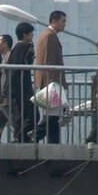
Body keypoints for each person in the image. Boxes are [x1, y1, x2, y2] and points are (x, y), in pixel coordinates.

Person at [35, 10, 67, 143]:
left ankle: (52, 141)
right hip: (51, 82)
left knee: (53, 116)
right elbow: (49, 62)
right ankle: (36, 135)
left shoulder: (48, 35)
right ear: (54, 21)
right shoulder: (49, 36)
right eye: (63, 21)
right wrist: (52, 85)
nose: (64, 25)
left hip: (51, 82)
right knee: (52, 116)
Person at [0, 34, 13, 141]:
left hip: (6, 98)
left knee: (14, 122)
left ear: (5, 44)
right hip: (2, 98)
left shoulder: (10, 58)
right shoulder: (2, 58)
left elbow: (6, 78)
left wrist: (3, 93)